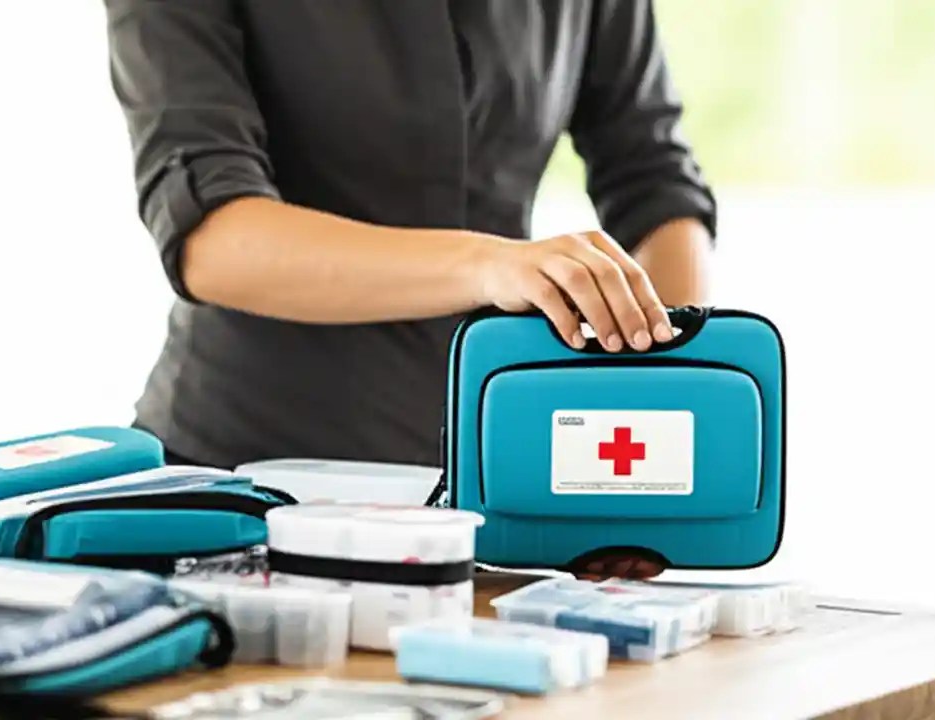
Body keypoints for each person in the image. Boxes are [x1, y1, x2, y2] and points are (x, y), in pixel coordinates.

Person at [104, 0, 715, 580]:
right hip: (240, 496)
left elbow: (653, 180)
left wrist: (649, 445)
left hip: (482, 508)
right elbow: (213, 240)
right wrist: (488, 265)